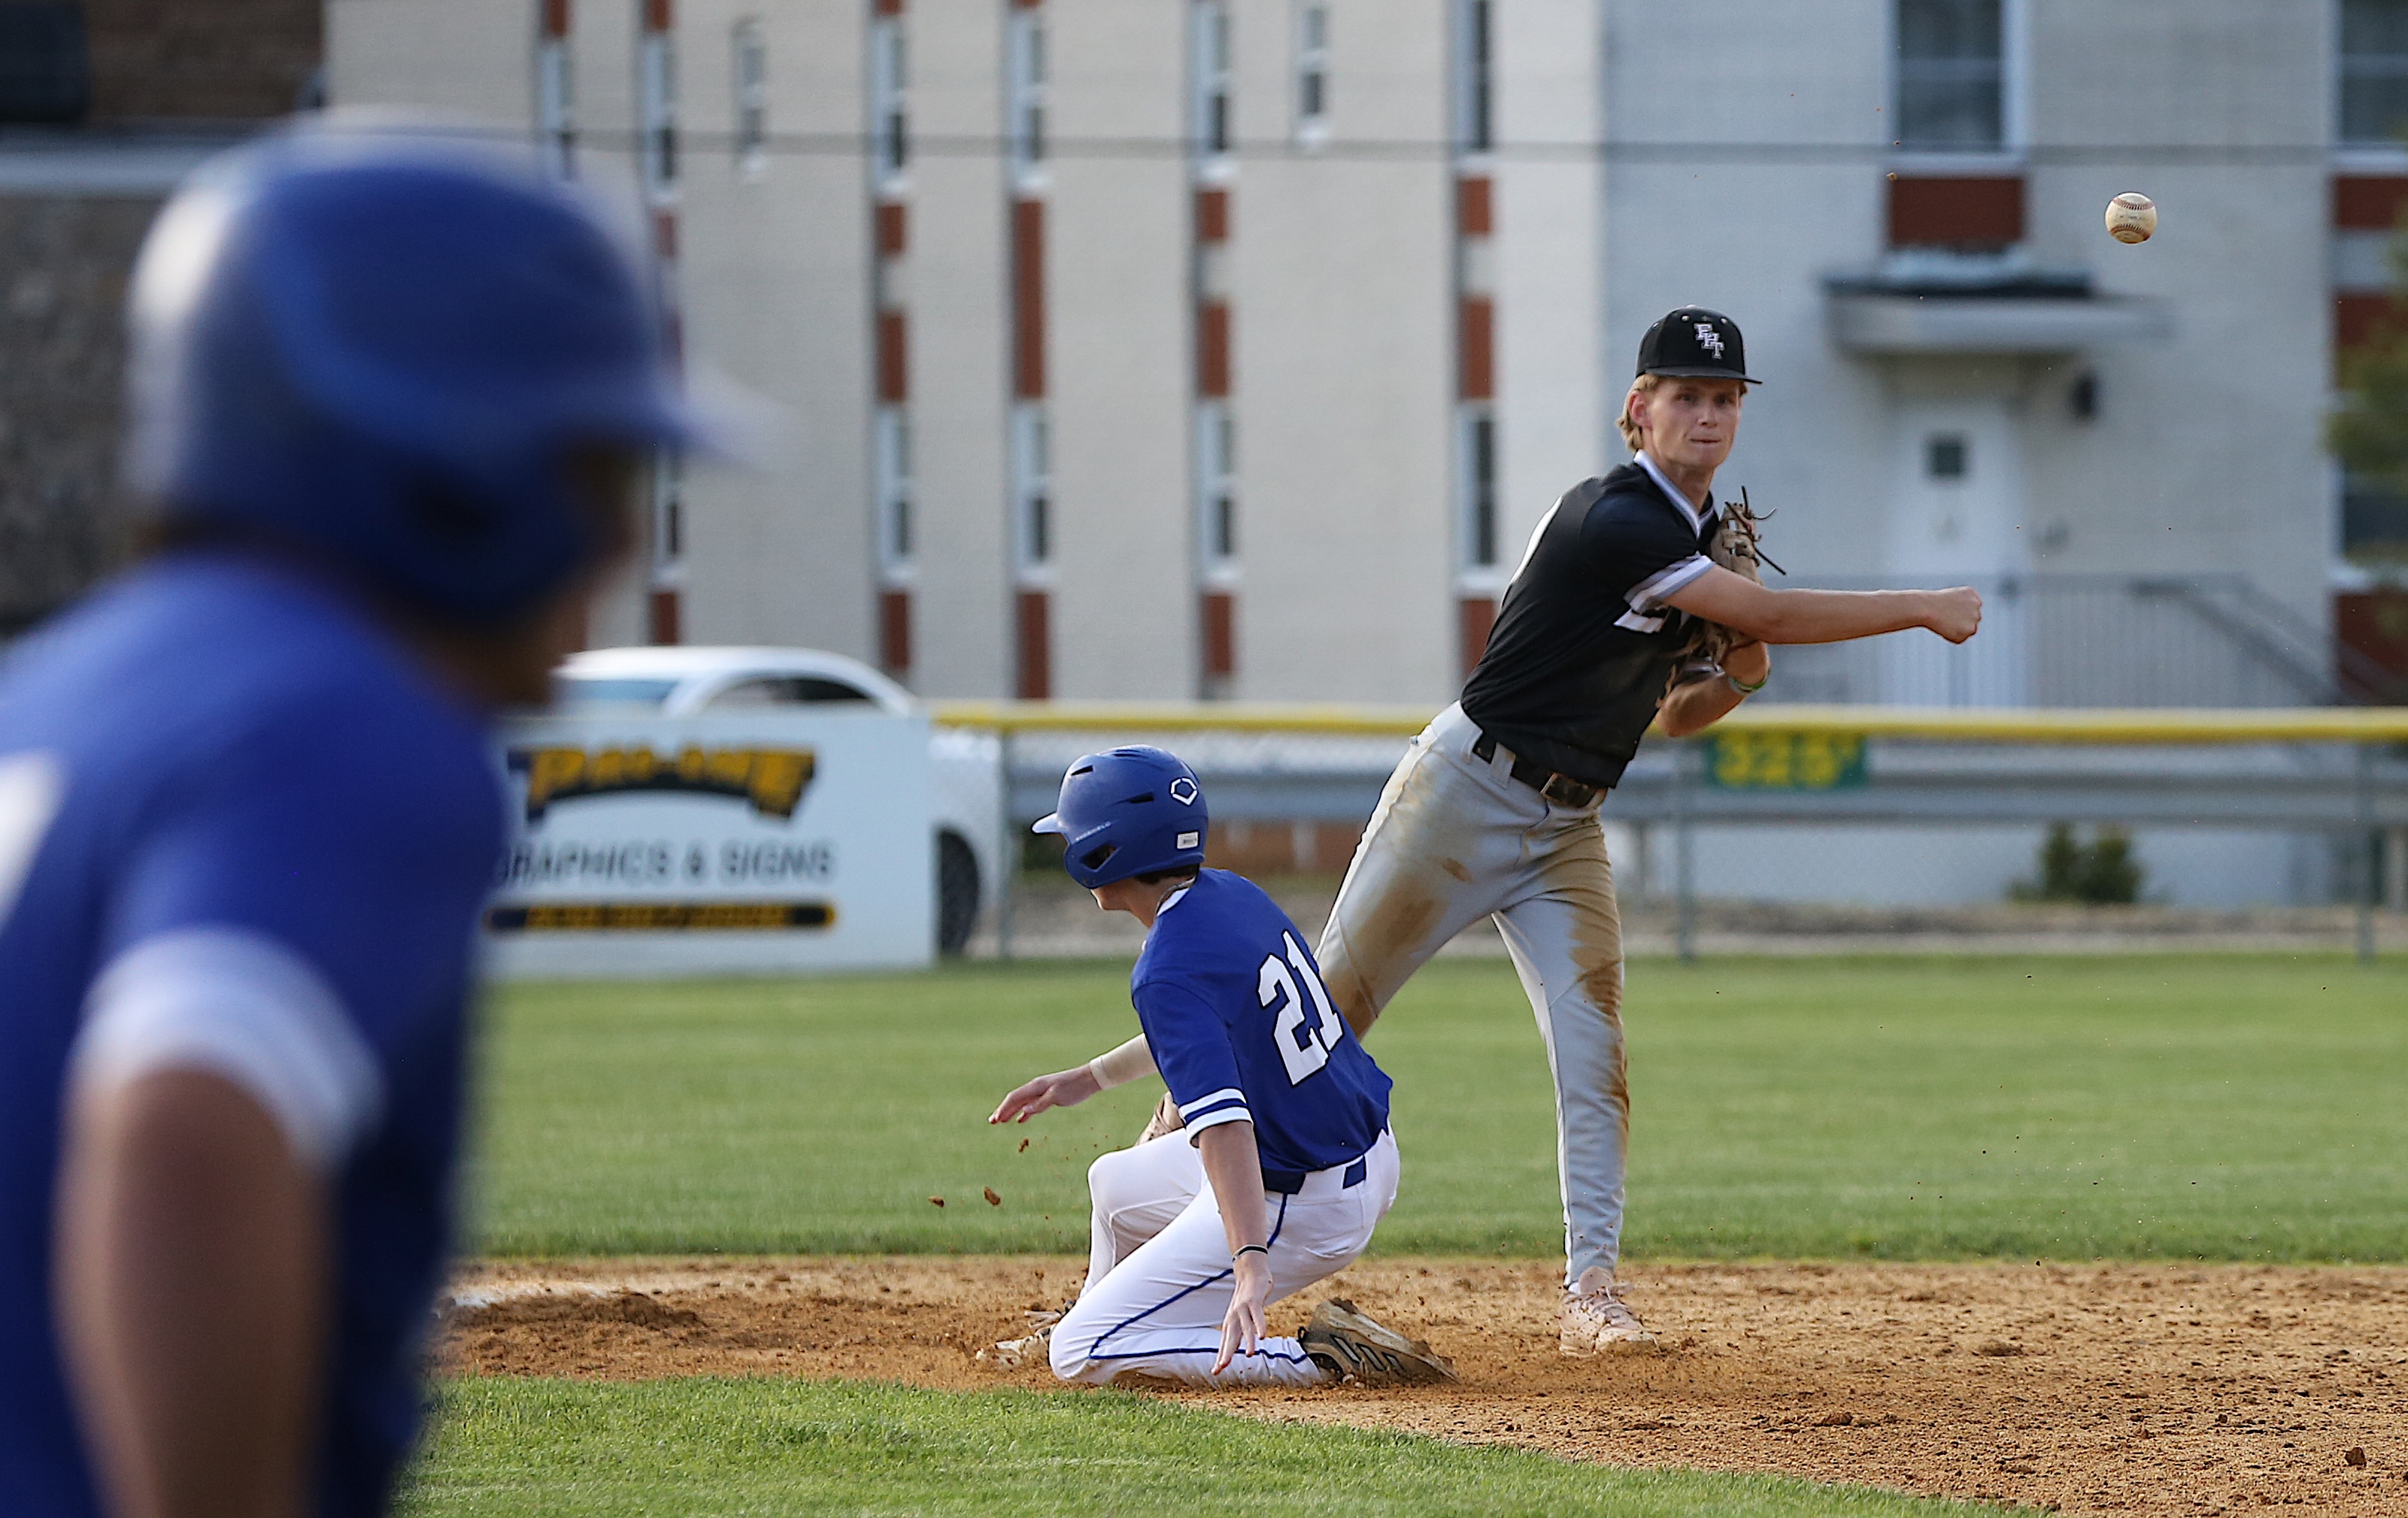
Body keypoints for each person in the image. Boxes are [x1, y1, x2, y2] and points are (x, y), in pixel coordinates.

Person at [0, 126, 704, 1517]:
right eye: (594, 471)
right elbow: (186, 1119)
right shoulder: (346, 718)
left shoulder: (56, 694)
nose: (622, 541)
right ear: (449, 470)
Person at [1089, 308, 1983, 1358]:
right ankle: (1140, 1243)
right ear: (1638, 408)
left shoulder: (1691, 543)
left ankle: (1590, 1293)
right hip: (1461, 796)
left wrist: (1741, 671)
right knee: (1314, 1016)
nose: (1705, 413)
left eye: (1723, 397)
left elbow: (1678, 714)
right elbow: (1775, 614)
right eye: (1684, 395)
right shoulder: (1616, 519)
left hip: (1567, 828)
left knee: (1593, 1050)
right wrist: (1922, 604)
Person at [984, 747, 1454, 1389]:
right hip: (1357, 1155)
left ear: (1104, 852)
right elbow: (1212, 1027)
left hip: (1302, 1198)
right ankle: (1106, 1312)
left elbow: (1224, 1126)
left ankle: (1323, 1359)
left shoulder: (1165, 968)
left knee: (1080, 1353)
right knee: (1113, 1186)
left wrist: (1250, 1260)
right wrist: (1087, 1078)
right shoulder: (1230, 893)